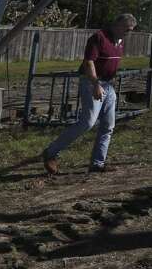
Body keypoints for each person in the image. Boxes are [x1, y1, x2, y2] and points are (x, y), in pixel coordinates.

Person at [41, 13, 137, 174]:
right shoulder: (99, 37)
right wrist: (95, 84)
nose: (128, 33)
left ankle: (97, 163)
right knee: (87, 122)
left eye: (130, 30)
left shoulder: (119, 41)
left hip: (108, 85)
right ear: (118, 25)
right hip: (93, 83)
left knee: (108, 126)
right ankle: (51, 152)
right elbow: (89, 61)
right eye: (127, 30)